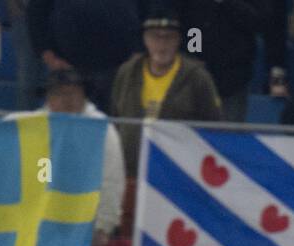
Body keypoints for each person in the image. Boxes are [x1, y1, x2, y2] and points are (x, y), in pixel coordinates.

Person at [111, 6, 223, 178]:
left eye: (169, 38)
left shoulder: (197, 77)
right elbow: (116, 119)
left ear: (178, 40)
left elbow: (213, 127)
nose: (162, 45)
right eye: (155, 37)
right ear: (145, 39)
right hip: (130, 173)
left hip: (177, 176)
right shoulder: (127, 73)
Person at [41, 69, 126, 246]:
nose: (66, 100)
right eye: (59, 93)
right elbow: (40, 177)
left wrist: (103, 226)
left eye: (72, 93)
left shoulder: (102, 130)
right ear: (48, 98)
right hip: (46, 228)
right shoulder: (38, 129)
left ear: (83, 96)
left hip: (91, 230)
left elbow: (111, 181)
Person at [26, 0, 142, 111]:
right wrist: (47, 54)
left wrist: (139, 52)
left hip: (122, 67)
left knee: (120, 125)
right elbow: (36, 10)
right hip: (67, 66)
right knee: (68, 125)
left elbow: (149, 7)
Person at [172, 0, 268, 123]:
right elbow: (187, 24)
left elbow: (259, 22)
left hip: (232, 76)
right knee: (191, 132)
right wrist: (193, 57)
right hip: (194, 74)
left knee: (229, 134)